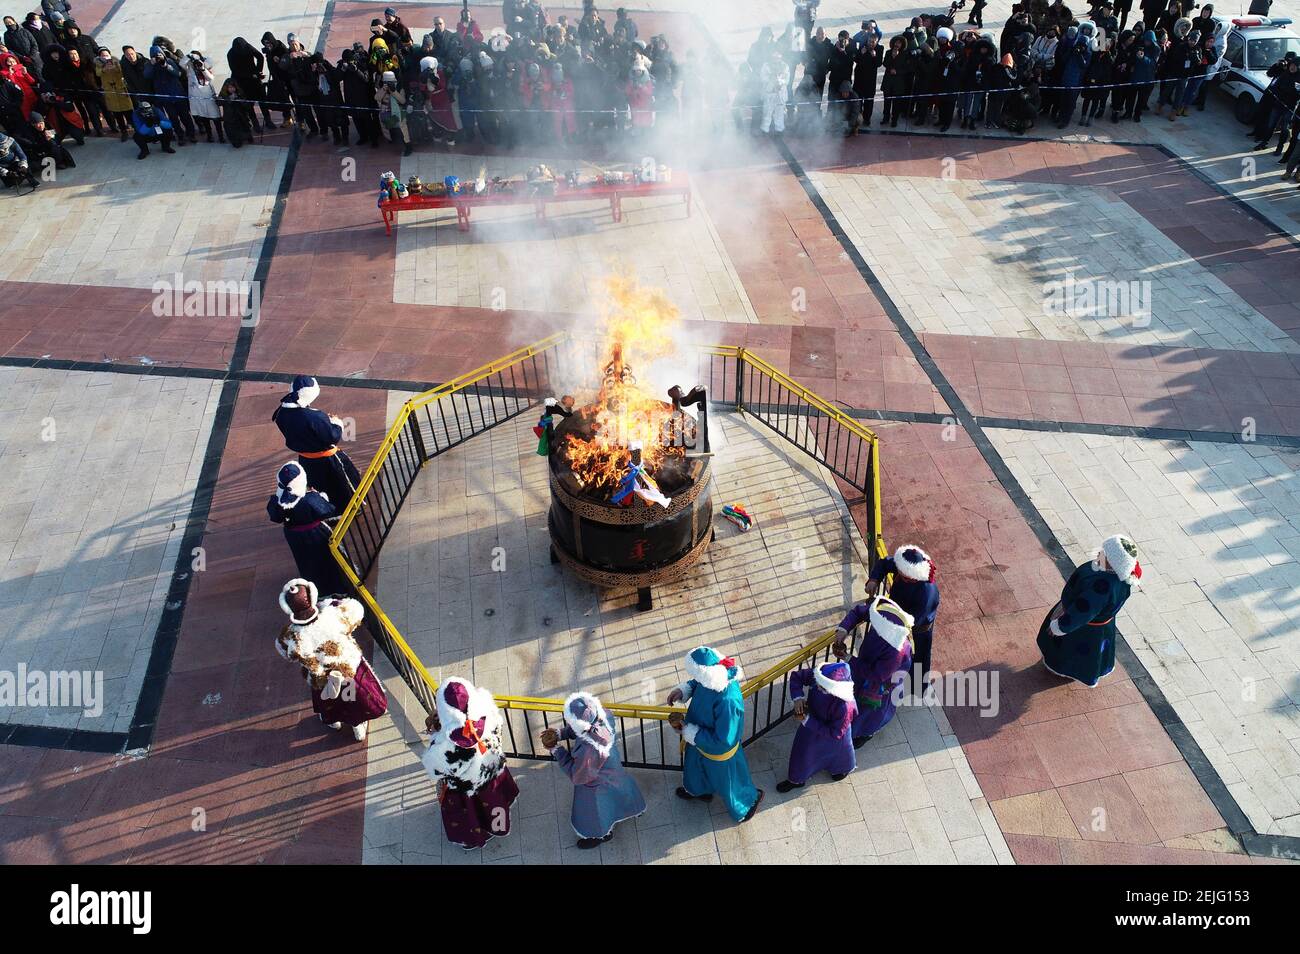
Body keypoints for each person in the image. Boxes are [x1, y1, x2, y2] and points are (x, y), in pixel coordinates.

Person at [275, 579, 386, 742]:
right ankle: (357, 728)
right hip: (347, 670)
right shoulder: (333, 615)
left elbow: (283, 651)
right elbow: (356, 610)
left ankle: (333, 721)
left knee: (328, 699)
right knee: (353, 699)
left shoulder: (291, 635)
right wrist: (328, 603)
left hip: (319, 678)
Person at [666, 646, 764, 824]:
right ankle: (699, 791)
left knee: (729, 783)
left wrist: (690, 732)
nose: (695, 677)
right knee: (695, 770)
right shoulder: (712, 677)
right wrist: (684, 690)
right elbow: (699, 680)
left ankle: (745, 805)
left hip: (718, 754)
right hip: (699, 738)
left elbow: (724, 740)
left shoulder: (729, 700)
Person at [421, 677, 520, 851]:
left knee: (470, 814)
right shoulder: (488, 711)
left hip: (464, 791)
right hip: (492, 774)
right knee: (493, 802)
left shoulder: (441, 748)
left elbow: (435, 771)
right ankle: (497, 825)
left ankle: (476, 837)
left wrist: (436, 733)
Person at [540, 692, 647, 848]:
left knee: (595, 811)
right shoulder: (604, 715)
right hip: (613, 768)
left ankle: (599, 835)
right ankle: (633, 808)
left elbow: (577, 775)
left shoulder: (588, 751)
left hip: (596, 784)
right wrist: (560, 733)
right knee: (621, 790)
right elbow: (582, 729)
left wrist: (556, 749)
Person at [1037, 534, 1141, 687]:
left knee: (1069, 652)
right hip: (1097, 627)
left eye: (1105, 553)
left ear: (1114, 563)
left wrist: (1060, 626)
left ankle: (1062, 670)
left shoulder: (1102, 587)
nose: (1100, 553)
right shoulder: (1117, 576)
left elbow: (1083, 610)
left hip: (1082, 627)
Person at [271, 375, 362, 513]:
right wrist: (336, 423)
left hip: (306, 459)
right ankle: (349, 509)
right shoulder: (314, 417)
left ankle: (325, 510)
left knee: (319, 486)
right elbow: (332, 437)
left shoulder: (281, 413)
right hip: (328, 460)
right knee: (340, 485)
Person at [833, 595, 915, 746]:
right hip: (866, 667)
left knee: (871, 712)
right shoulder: (883, 613)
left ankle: (865, 733)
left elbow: (876, 675)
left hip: (881, 684)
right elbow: (859, 612)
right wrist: (844, 629)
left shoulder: (897, 652)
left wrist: (848, 658)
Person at [267, 460, 350, 597]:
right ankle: (336, 589)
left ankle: (316, 591)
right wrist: (321, 496)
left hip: (293, 536)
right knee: (326, 561)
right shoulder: (309, 499)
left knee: (305, 562)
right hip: (315, 533)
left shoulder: (277, 501)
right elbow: (328, 510)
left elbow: (275, 517)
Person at [867, 545, 940, 694]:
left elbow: (915, 619)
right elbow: (884, 563)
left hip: (917, 629)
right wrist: (874, 579)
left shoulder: (926, 592)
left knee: (917, 658)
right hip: (897, 615)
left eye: (900, 572)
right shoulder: (903, 566)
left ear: (910, 576)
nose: (896, 571)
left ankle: (917, 688)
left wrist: (890, 624)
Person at [776, 660, 857, 792]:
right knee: (803, 753)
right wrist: (798, 698)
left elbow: (836, 733)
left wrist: (807, 720)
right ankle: (797, 779)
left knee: (840, 754)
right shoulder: (821, 676)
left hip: (831, 733)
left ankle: (840, 769)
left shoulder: (845, 707)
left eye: (822, 688)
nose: (817, 686)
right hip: (811, 726)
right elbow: (797, 677)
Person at [185, 51, 223, 142]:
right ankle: (209, 135)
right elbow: (181, 63)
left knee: (216, 118)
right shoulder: (190, 70)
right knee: (205, 118)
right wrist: (189, 57)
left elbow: (210, 78)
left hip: (209, 97)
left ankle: (221, 136)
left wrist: (202, 68)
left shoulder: (205, 67)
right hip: (199, 99)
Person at [218, 78, 253, 147]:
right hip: (229, 117)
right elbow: (218, 102)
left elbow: (247, 104)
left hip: (241, 116)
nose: (231, 89)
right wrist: (229, 99)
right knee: (233, 134)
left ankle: (247, 137)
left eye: (233, 87)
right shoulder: (223, 94)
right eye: (229, 87)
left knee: (244, 128)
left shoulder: (239, 93)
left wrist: (240, 100)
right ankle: (235, 140)